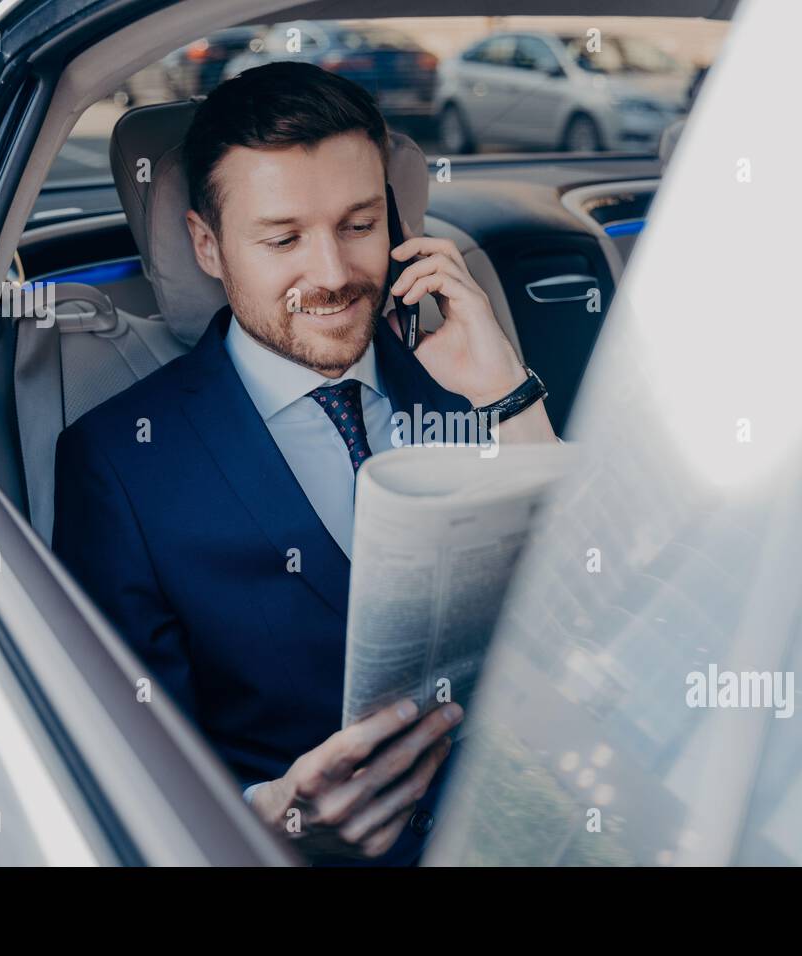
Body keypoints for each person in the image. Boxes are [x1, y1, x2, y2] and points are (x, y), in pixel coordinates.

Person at [52, 62, 556, 865]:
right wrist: (269, 818)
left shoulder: (472, 376)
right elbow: (126, 761)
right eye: (283, 239)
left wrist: (508, 396)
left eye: (359, 226)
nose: (331, 275)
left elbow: (589, 610)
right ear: (208, 245)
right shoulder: (118, 465)